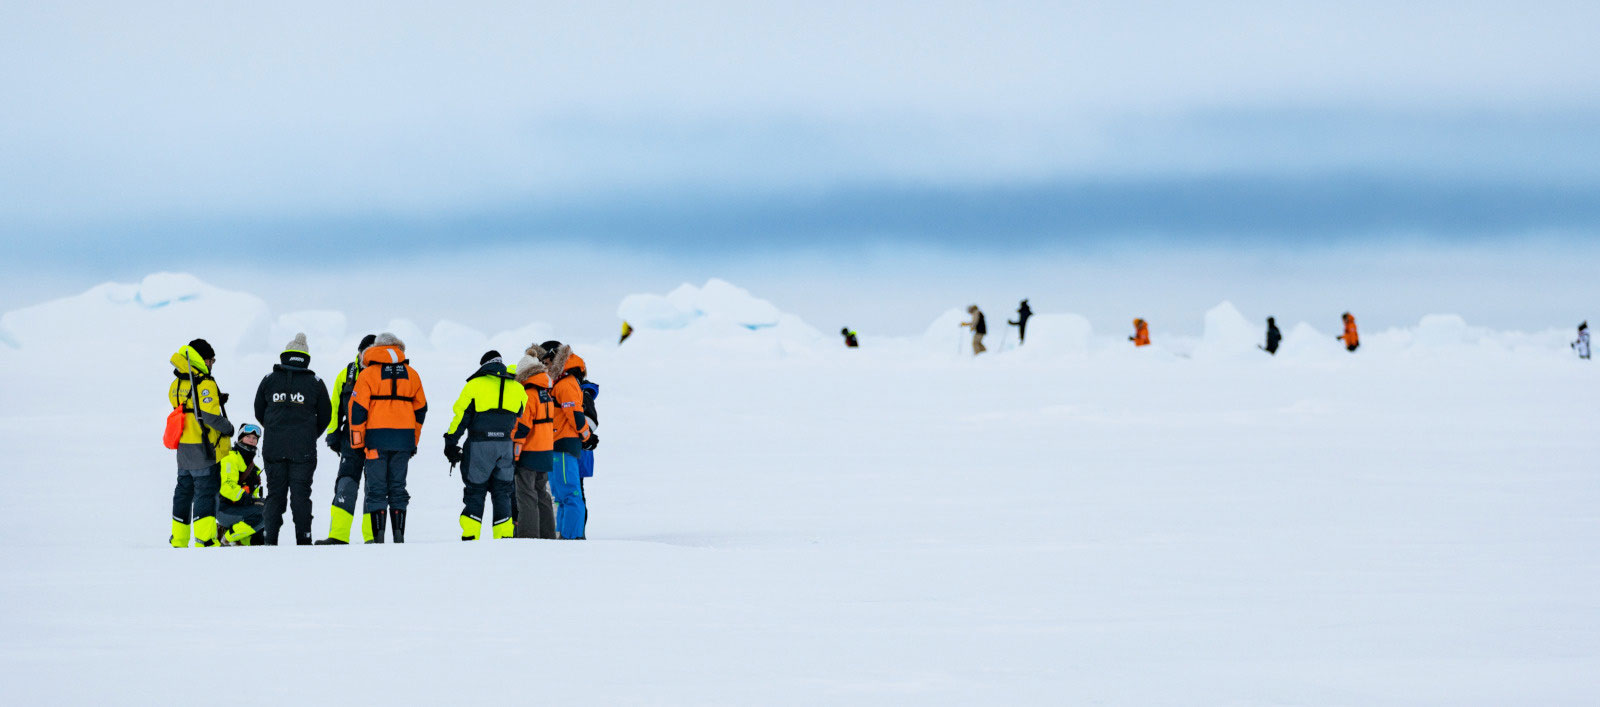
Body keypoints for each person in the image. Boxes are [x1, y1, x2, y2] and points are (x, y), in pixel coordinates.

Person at [347, 332, 428, 543]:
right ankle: (399, 536)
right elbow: (421, 409)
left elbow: (357, 410)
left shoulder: (367, 374)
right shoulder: (412, 374)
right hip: (403, 441)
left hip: (375, 440)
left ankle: (379, 538)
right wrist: (413, 440)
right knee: (398, 487)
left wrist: (357, 442)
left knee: (376, 490)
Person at [252, 332, 330, 545]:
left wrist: (274, 429)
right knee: (301, 495)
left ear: (284, 356)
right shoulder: (316, 382)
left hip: (273, 448)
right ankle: (303, 540)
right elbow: (326, 415)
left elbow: (259, 411)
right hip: (303, 450)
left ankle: (270, 539)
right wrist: (309, 435)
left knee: (274, 494)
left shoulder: (268, 380)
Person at [444, 351, 527, 541]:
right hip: (505, 446)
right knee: (503, 492)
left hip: (479, 447)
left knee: (475, 491)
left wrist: (450, 443)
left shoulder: (474, 385)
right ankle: (504, 536)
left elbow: (460, 417)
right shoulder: (518, 389)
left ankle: (471, 535)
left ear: (484, 366)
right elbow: (519, 415)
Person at [167, 339, 234, 547]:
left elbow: (179, 404)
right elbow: (210, 416)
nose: (212, 363)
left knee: (183, 493)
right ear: (203, 359)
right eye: (211, 359)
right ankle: (205, 539)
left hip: (183, 449)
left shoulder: (178, 381)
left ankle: (179, 538)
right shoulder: (204, 382)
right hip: (204, 449)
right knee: (205, 493)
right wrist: (228, 427)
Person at [316, 334, 378, 545]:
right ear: (359, 352)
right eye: (365, 351)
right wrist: (333, 434)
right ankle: (338, 535)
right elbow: (335, 407)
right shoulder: (346, 374)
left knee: (374, 488)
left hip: (376, 439)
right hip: (350, 439)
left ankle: (373, 538)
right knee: (345, 485)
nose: (368, 356)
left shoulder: (382, 374)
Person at [543, 343, 592, 539]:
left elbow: (575, 414)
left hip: (564, 444)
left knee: (571, 495)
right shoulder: (560, 382)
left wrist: (585, 435)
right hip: (557, 444)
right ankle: (564, 537)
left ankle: (572, 538)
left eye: (546, 361)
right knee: (562, 497)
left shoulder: (566, 383)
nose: (544, 365)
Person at [513, 349, 558, 539]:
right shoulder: (546, 394)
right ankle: (547, 534)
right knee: (542, 494)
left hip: (530, 452)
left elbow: (522, 427)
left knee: (526, 495)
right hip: (546, 451)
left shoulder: (528, 395)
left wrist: (515, 454)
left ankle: (528, 536)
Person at [217, 424, 266, 546]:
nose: (251, 440)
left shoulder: (253, 468)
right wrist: (247, 499)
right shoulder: (230, 458)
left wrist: (257, 500)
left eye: (255, 438)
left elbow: (253, 494)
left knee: (270, 509)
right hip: (225, 509)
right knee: (265, 512)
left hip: (241, 509)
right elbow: (226, 486)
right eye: (248, 436)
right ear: (240, 438)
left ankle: (243, 541)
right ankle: (227, 538)